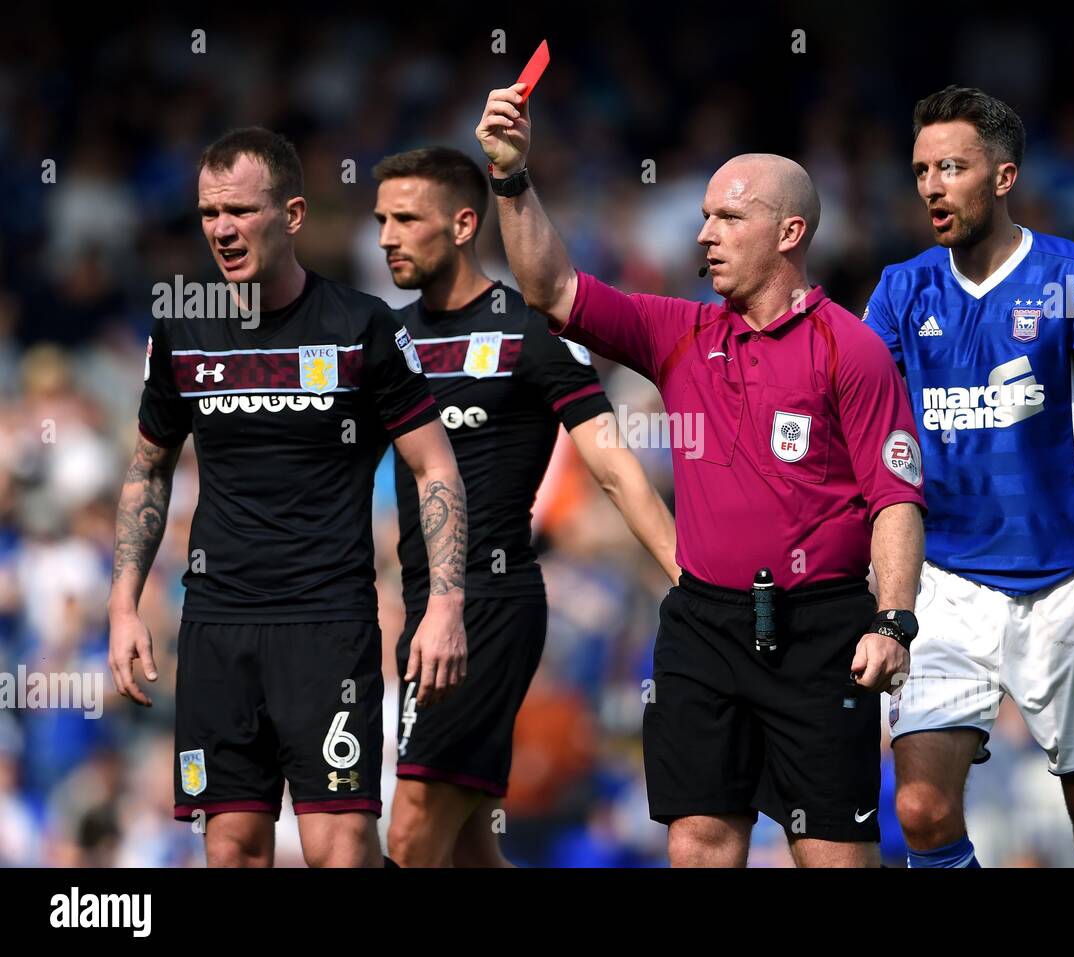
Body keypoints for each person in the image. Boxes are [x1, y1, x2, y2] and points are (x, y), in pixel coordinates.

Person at [476, 83, 927, 868]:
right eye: (706, 215)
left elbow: (894, 498)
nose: (705, 233)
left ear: (790, 232)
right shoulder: (678, 331)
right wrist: (513, 176)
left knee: (832, 854)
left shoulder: (850, 349)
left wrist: (892, 620)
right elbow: (551, 288)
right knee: (698, 842)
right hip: (703, 626)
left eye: (728, 217)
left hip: (822, 631)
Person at [107, 128, 468, 868]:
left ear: (293, 214)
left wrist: (446, 605)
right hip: (217, 623)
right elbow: (147, 470)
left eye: (239, 210)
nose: (221, 229)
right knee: (233, 845)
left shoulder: (361, 326)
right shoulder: (184, 326)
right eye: (208, 213)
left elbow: (435, 467)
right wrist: (122, 604)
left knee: (338, 848)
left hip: (327, 623)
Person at [864, 86, 1074, 868]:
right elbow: (864, 435)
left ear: (1001, 177)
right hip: (946, 583)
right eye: (922, 168)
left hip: (1066, 587)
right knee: (922, 810)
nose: (931, 184)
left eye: (952, 167)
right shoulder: (901, 289)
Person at [371, 146, 679, 867]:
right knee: (472, 844)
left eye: (406, 218)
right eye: (380, 218)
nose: (385, 235)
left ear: (462, 224)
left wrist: (684, 573)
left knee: (413, 831)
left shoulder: (530, 331)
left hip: (489, 605)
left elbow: (614, 469)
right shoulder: (387, 337)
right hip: (421, 605)